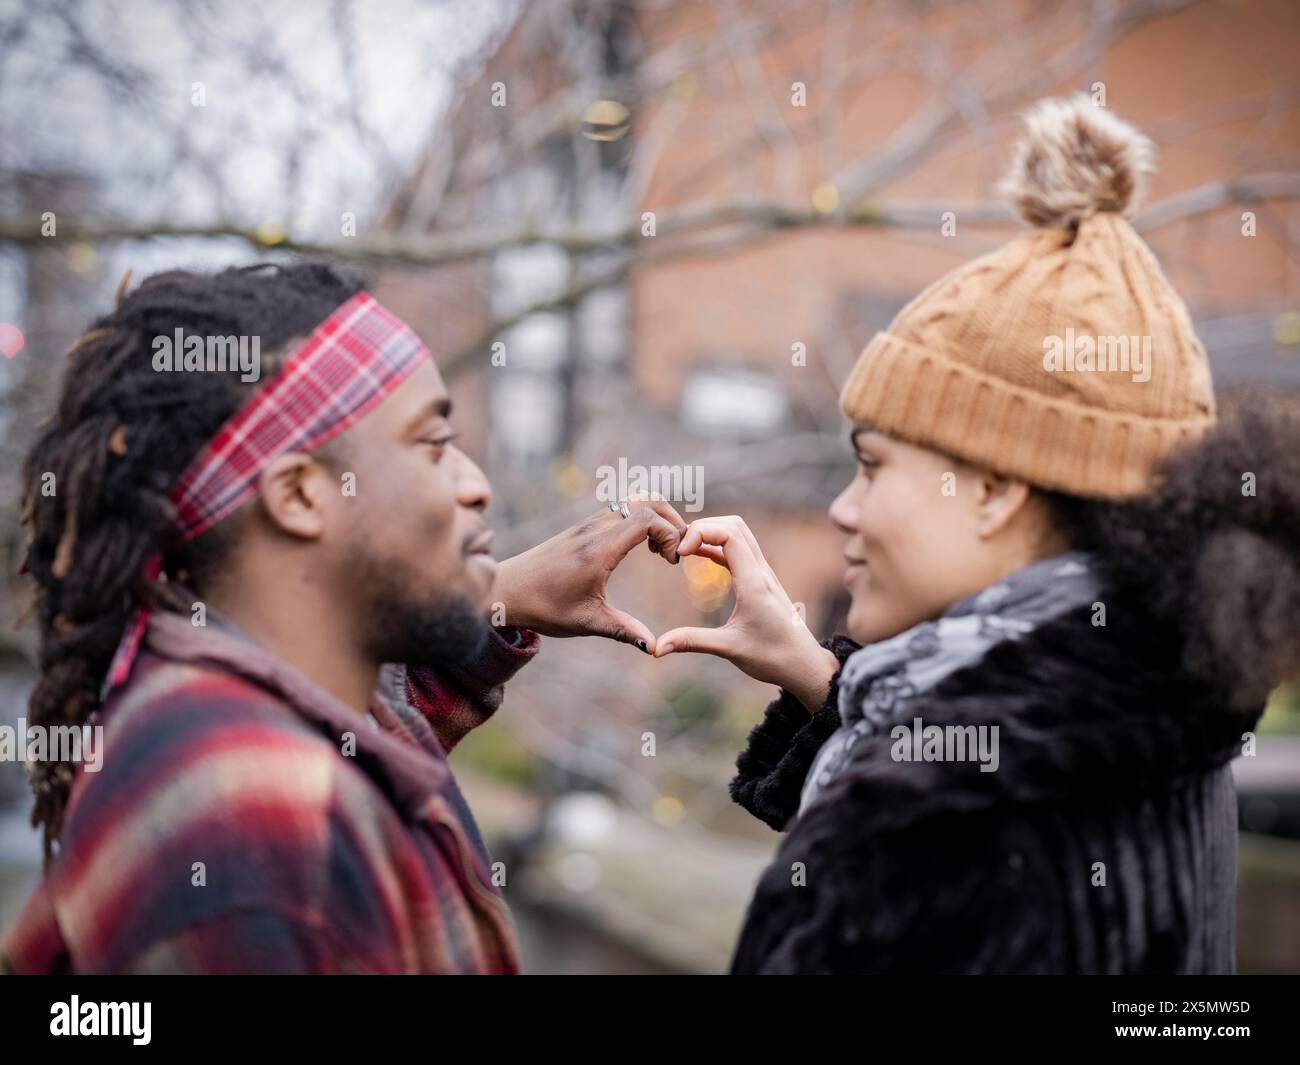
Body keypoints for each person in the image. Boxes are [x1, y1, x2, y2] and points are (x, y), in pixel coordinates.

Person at [654, 96, 1300, 973]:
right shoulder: (1176, 711)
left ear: (994, 489)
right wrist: (818, 681)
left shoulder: (921, 833)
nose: (844, 507)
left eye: (875, 465)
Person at [2, 262, 688, 974]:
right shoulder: (268, 844)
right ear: (299, 495)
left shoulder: (216, 702)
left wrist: (491, 593)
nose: (476, 485)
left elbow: (372, 723)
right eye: (432, 445)